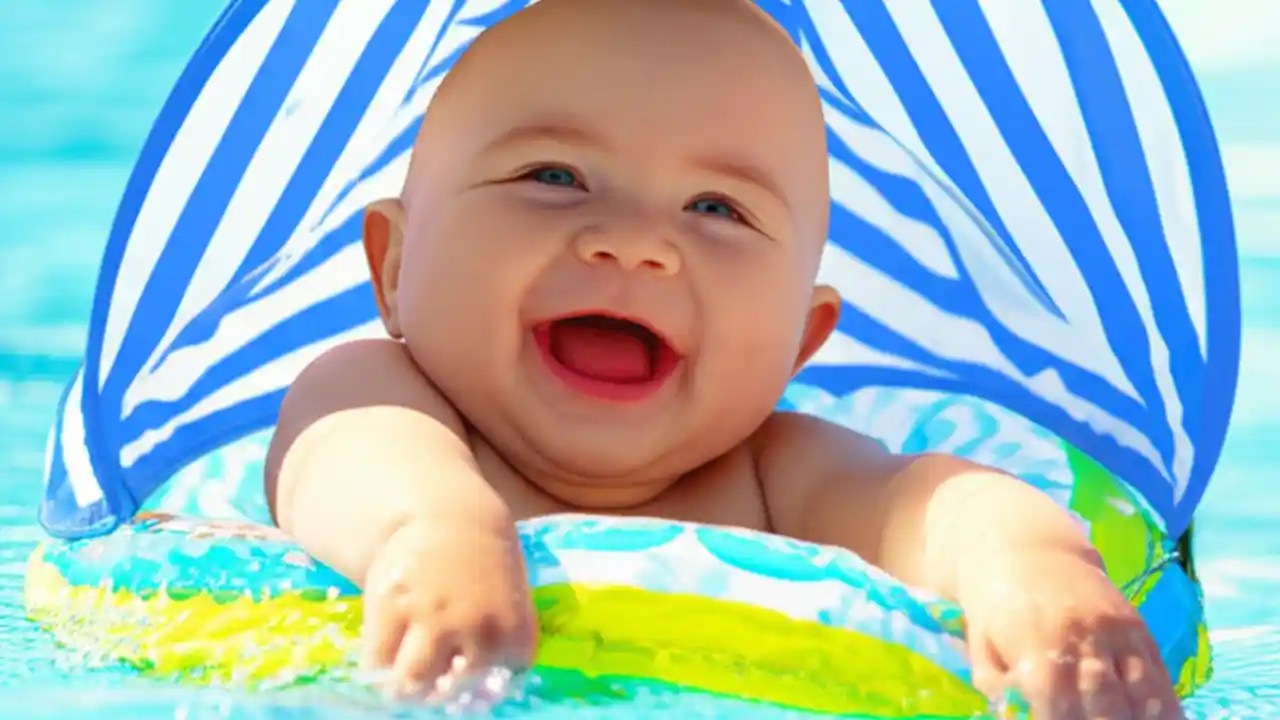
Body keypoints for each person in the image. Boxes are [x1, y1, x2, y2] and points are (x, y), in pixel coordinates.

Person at [264, 1, 1181, 717]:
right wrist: (437, 536)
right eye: (554, 176)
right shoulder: (381, 399)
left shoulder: (779, 475)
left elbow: (932, 505)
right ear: (392, 264)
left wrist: (1033, 570)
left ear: (801, 344)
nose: (634, 244)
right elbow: (351, 460)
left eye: (717, 209)